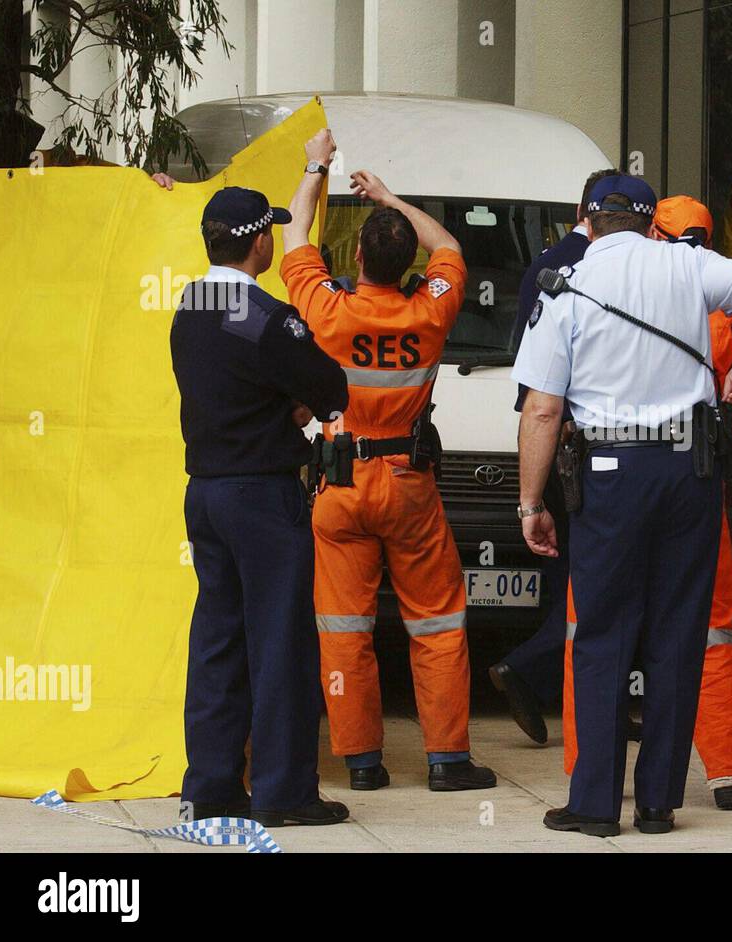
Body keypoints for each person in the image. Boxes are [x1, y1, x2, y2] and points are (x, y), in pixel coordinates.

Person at [514, 174, 732, 836]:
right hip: (690, 473)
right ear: (648, 220)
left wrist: (529, 503)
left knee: (602, 634)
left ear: (586, 218)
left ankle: (596, 805)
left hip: (611, 473)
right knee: (677, 632)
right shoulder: (687, 266)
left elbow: (543, 408)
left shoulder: (566, 287)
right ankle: (659, 803)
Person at [278, 129, 496, 792]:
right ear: (406, 266)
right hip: (408, 486)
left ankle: (362, 762)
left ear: (358, 259)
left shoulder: (328, 309)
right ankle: (448, 760)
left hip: (339, 485)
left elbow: (294, 236)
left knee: (345, 628)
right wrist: (392, 198)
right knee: (435, 623)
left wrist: (319, 164)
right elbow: (449, 246)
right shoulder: (429, 311)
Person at [169, 184, 350, 828]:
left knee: (217, 639)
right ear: (259, 242)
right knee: (279, 642)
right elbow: (329, 386)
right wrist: (293, 403)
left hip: (207, 492)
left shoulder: (189, 305)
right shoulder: (266, 317)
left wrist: (280, 398)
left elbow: (232, 382)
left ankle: (211, 785)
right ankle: (283, 791)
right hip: (262, 495)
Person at [489, 168, 622, 744]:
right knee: (594, 582)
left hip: (548, 437)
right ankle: (539, 669)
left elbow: (532, 381)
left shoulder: (545, 266)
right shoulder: (615, 267)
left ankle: (562, 687)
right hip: (592, 443)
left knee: (571, 576)